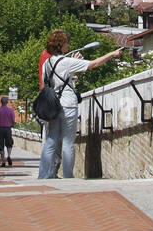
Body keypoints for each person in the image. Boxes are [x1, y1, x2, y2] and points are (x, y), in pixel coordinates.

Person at [38, 30, 121, 181]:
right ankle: (68, 176)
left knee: (51, 140)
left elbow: (46, 85)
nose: (68, 45)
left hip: (52, 106)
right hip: (68, 105)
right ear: (61, 45)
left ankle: (44, 175)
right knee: (68, 142)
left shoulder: (46, 64)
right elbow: (93, 64)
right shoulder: (66, 62)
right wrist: (112, 54)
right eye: (66, 43)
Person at [0, 96, 15, 168]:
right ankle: (9, 155)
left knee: (0, 145)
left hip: (0, 129)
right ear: (7, 102)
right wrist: (12, 124)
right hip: (8, 128)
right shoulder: (10, 110)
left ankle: (3, 161)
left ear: (1, 102)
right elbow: (13, 120)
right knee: (9, 143)